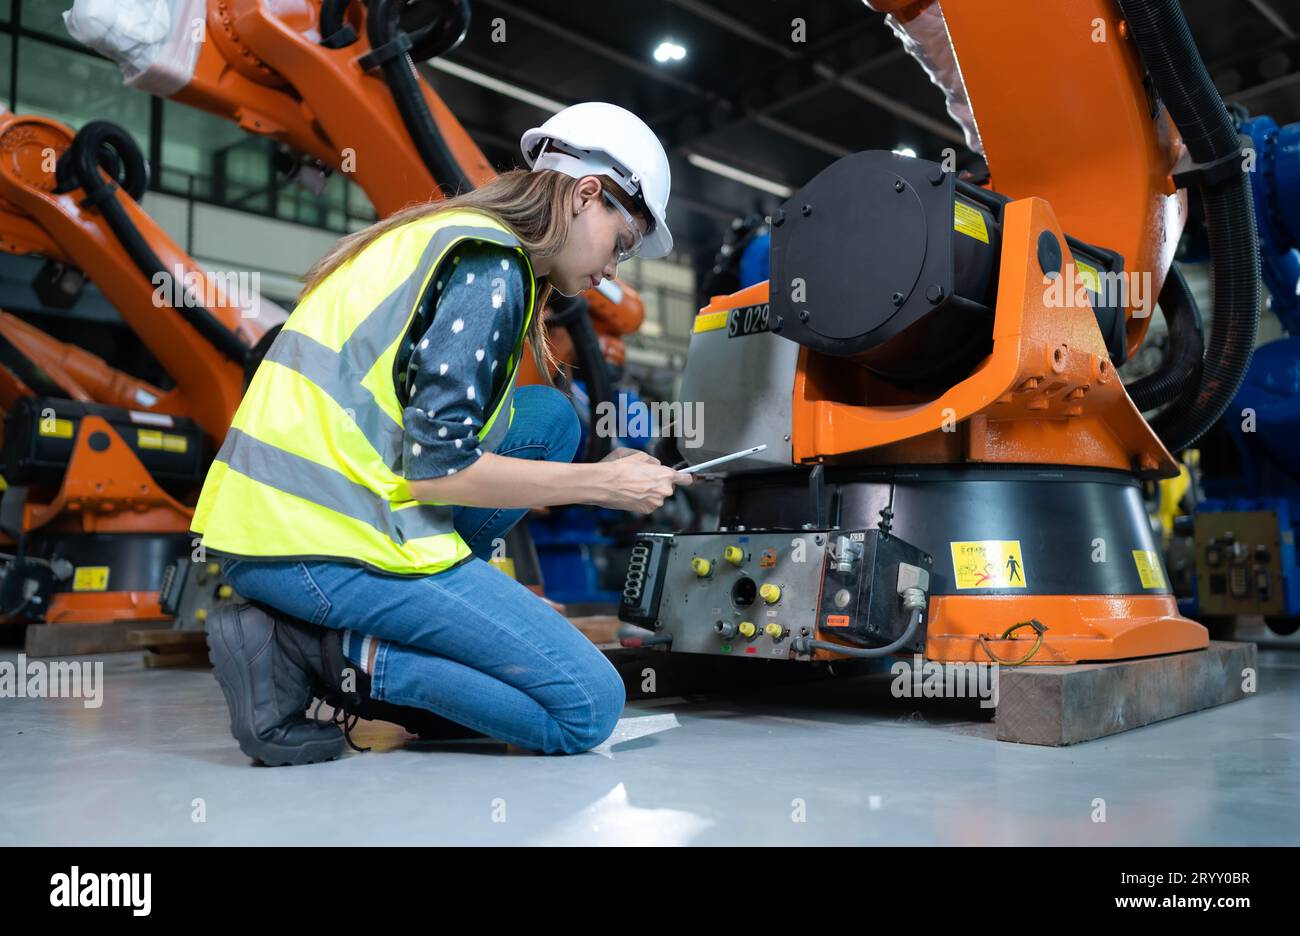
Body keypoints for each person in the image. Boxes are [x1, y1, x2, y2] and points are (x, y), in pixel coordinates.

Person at [192, 102, 691, 766]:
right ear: (586, 194)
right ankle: (321, 652)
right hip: (318, 544)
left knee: (548, 422)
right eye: (620, 244)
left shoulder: (456, 238)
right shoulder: (489, 266)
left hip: (284, 526)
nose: (612, 273)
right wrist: (600, 484)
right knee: (586, 708)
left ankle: (419, 630)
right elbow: (438, 471)